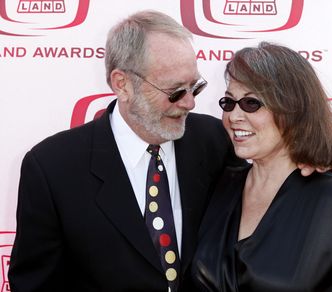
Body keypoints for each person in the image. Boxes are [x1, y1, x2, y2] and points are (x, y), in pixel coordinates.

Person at [8, 10, 246, 292]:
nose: (190, 103)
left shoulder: (216, 141)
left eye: (195, 86)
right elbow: (35, 285)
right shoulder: (52, 167)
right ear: (122, 84)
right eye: (175, 91)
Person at [191, 42, 332, 291]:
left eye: (251, 103)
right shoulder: (220, 187)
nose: (234, 116)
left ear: (292, 110)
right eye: (229, 102)